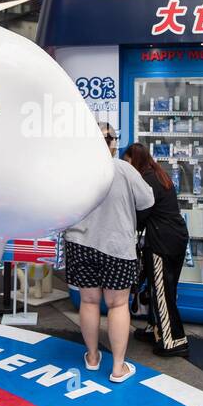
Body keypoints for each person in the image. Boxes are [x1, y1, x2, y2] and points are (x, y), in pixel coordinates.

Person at [63, 124, 154, 382]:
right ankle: (117, 367)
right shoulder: (123, 170)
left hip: (80, 244)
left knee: (89, 302)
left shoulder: (74, 171)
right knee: (118, 305)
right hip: (116, 246)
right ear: (113, 143)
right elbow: (148, 201)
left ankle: (92, 357)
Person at [122, 142, 189, 357]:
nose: (127, 166)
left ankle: (175, 340)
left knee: (163, 292)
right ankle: (155, 329)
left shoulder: (146, 180)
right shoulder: (158, 174)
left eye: (128, 162)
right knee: (157, 288)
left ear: (135, 160)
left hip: (162, 242)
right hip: (175, 238)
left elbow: (141, 214)